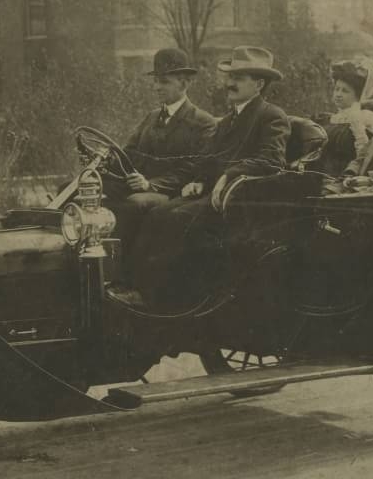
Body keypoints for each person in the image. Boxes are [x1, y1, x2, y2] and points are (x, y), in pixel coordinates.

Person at [108, 45, 291, 313]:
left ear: (259, 84)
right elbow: (209, 159)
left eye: (238, 78)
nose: (229, 83)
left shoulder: (271, 116)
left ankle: (155, 296)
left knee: (175, 218)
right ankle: (134, 286)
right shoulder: (227, 121)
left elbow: (272, 160)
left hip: (240, 201)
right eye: (230, 77)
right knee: (158, 213)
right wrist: (200, 180)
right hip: (213, 193)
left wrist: (229, 175)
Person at [104, 48, 218, 276]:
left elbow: (193, 169)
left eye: (164, 82)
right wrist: (106, 160)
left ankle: (120, 274)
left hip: (172, 193)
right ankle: (80, 264)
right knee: (82, 189)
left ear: (184, 83)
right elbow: (129, 153)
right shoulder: (151, 117)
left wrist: (150, 184)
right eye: (156, 81)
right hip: (139, 185)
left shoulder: (203, 122)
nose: (156, 87)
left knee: (134, 204)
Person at [313, 56, 373, 181]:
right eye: (337, 89)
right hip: (321, 172)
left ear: (357, 95)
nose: (338, 94)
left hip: (347, 174)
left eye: (345, 91)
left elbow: (366, 153)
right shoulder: (328, 119)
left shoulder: (365, 117)